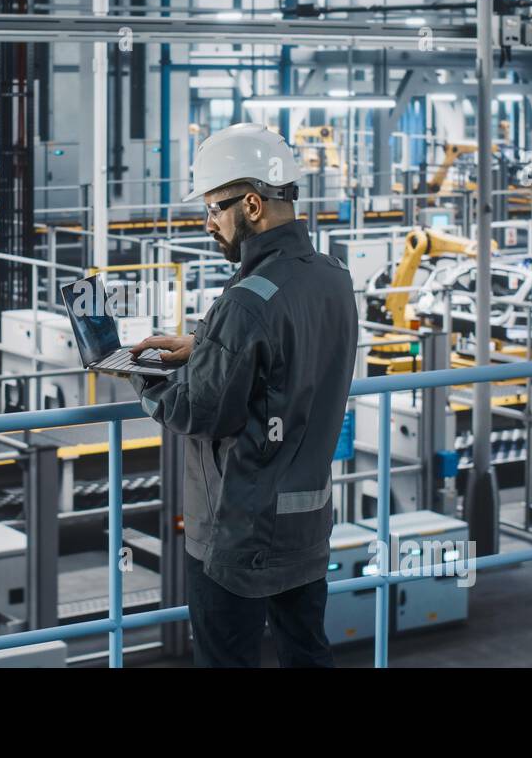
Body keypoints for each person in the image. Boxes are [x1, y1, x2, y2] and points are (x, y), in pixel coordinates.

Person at [128, 123, 359, 667]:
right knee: (307, 653)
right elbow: (283, 358)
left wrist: (140, 372)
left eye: (213, 209)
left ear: (252, 204)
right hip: (306, 521)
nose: (208, 224)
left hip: (237, 532)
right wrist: (206, 344)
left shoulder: (244, 302)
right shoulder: (333, 277)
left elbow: (198, 410)